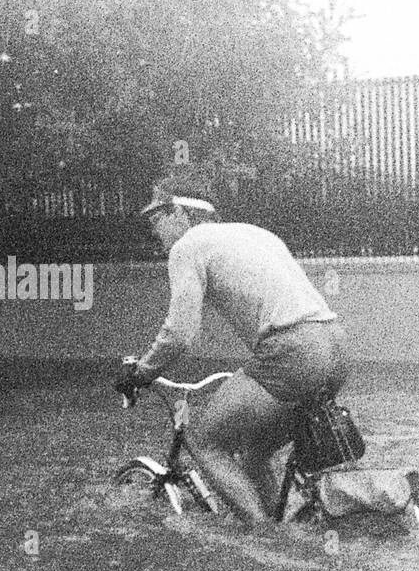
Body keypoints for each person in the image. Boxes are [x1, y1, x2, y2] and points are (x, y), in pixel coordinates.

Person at [115, 172, 351, 527]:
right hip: (336, 346)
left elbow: (180, 334)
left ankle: (265, 537)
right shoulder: (256, 233)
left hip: (292, 354)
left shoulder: (188, 246)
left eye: (156, 217)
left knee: (203, 439)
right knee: (255, 454)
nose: (153, 229)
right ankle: (287, 525)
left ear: (180, 212)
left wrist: (142, 372)